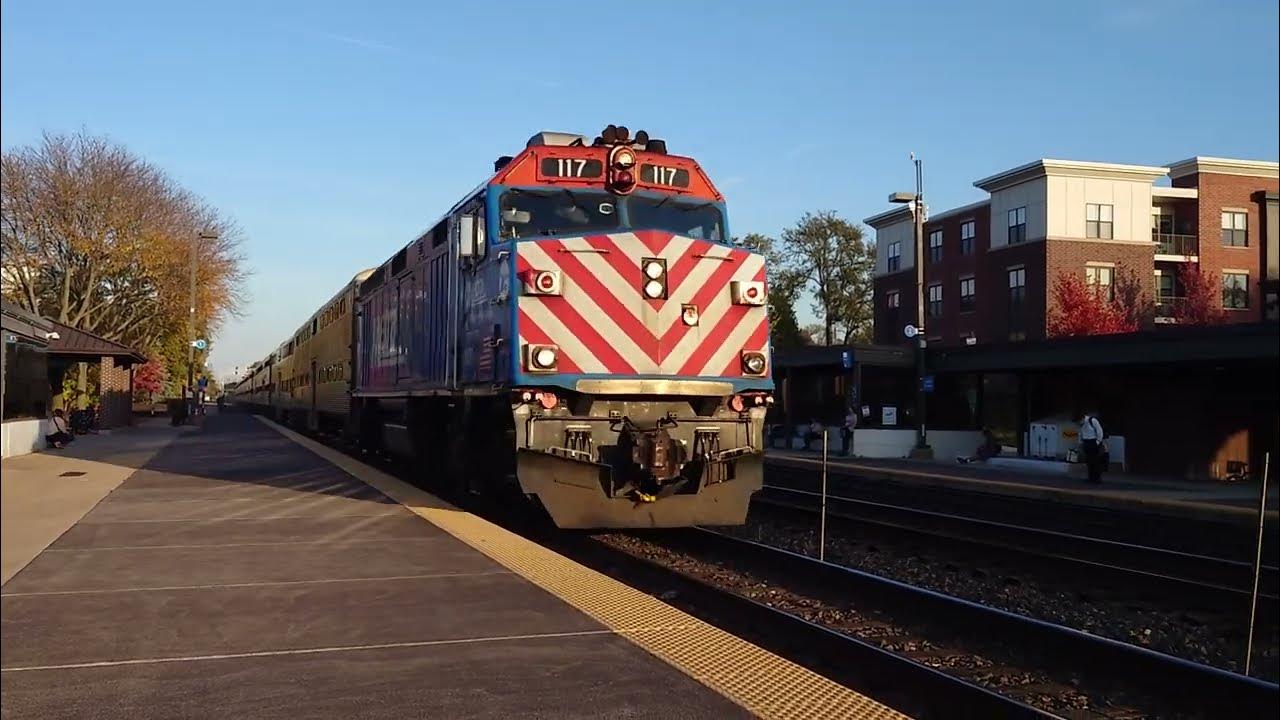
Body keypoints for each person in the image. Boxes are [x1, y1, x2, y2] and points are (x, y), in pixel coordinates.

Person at [1080, 411, 1106, 484]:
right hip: (1086, 442)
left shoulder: (1092, 420)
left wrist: (1097, 442)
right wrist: (1082, 442)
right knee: (1089, 461)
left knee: (1095, 461)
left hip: (1093, 441)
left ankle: (1097, 478)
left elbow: (1099, 431)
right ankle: (1090, 477)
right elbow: (1081, 433)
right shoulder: (1081, 424)